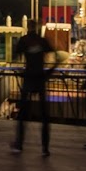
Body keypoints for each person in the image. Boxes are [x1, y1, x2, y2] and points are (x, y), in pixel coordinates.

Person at [12, 21, 55, 155]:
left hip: (29, 78)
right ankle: (45, 147)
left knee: (23, 113)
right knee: (44, 115)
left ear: (28, 27)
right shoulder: (42, 41)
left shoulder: (24, 40)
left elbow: (16, 55)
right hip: (40, 78)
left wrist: (20, 70)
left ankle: (19, 144)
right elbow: (55, 55)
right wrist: (49, 71)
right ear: (37, 27)